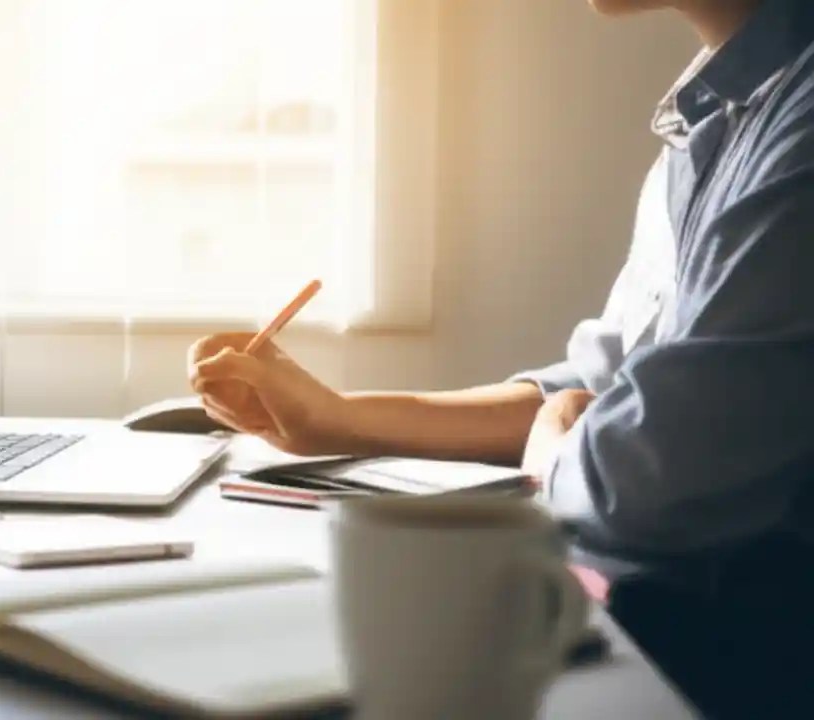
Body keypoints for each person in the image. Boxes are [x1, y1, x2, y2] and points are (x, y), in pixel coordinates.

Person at [188, 0, 814, 716]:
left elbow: (638, 477)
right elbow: (603, 394)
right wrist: (339, 419)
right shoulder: (725, 110)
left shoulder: (800, 127)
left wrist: (558, 443)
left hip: (730, 662)